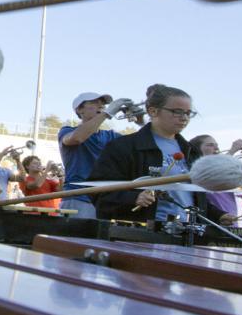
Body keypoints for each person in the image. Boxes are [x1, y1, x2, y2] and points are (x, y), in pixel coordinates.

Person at [92, 83, 223, 225]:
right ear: (153, 111)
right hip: (142, 233)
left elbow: (192, 197)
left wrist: (220, 215)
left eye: (188, 113)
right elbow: (97, 191)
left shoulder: (191, 151)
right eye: (177, 111)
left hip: (187, 231)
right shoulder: (123, 146)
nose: (184, 118)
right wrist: (133, 198)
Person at [57, 91, 136, 219]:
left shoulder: (111, 136)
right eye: (94, 103)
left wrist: (141, 120)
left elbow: (140, 144)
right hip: (79, 197)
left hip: (103, 200)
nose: (101, 107)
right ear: (79, 109)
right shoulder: (67, 130)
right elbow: (77, 138)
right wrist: (107, 114)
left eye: (103, 105)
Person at [187, 133, 242, 225]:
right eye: (210, 145)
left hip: (231, 225)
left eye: (217, 146)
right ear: (197, 150)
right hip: (210, 225)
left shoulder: (226, 172)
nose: (216, 148)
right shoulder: (195, 171)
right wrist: (233, 150)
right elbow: (213, 171)